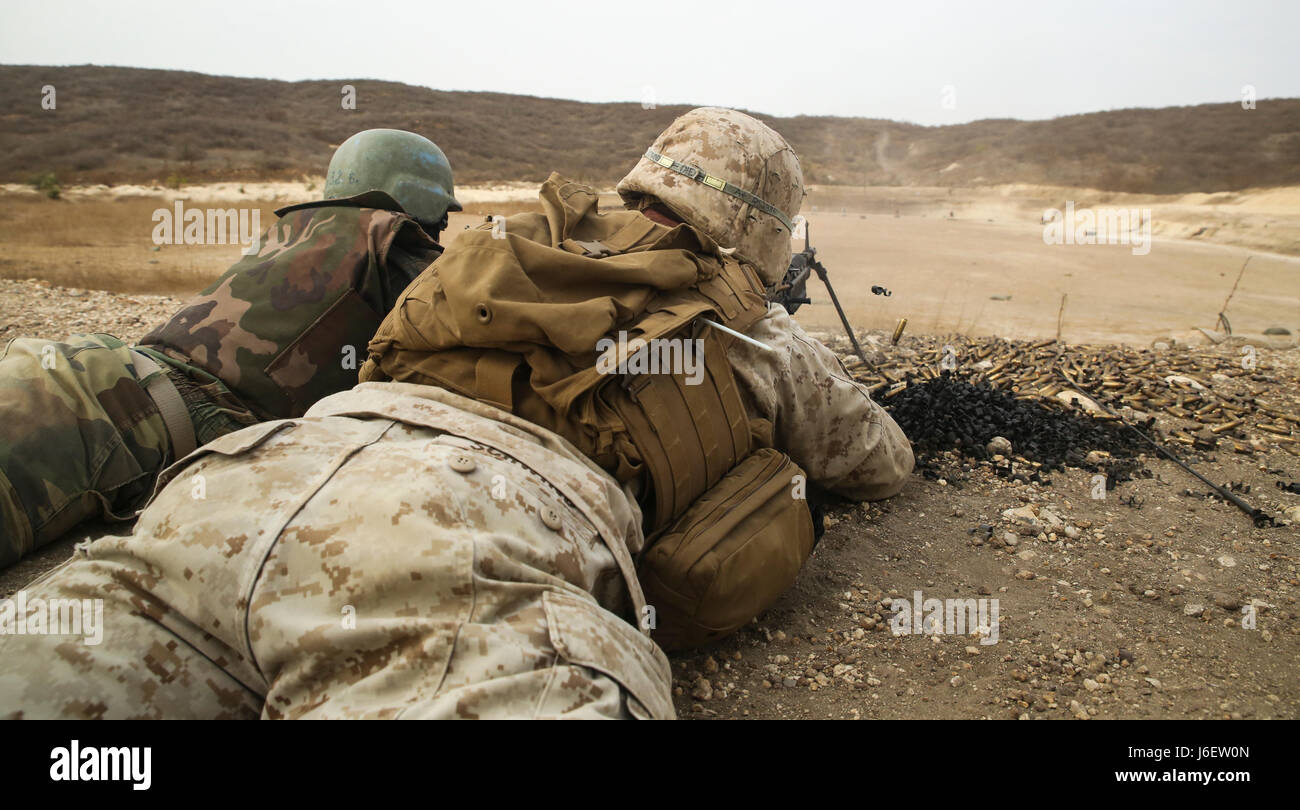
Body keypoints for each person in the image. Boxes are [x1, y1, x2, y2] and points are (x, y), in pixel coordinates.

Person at [0, 108, 911, 719]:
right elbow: (875, 459)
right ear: (764, 230)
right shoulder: (755, 328)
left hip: (238, 492)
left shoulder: (500, 244)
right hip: (456, 547)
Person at [0, 129, 460, 567]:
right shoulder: (395, 245)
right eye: (441, 221)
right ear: (421, 202)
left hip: (93, 373)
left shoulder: (301, 228)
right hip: (115, 422)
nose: (438, 235)